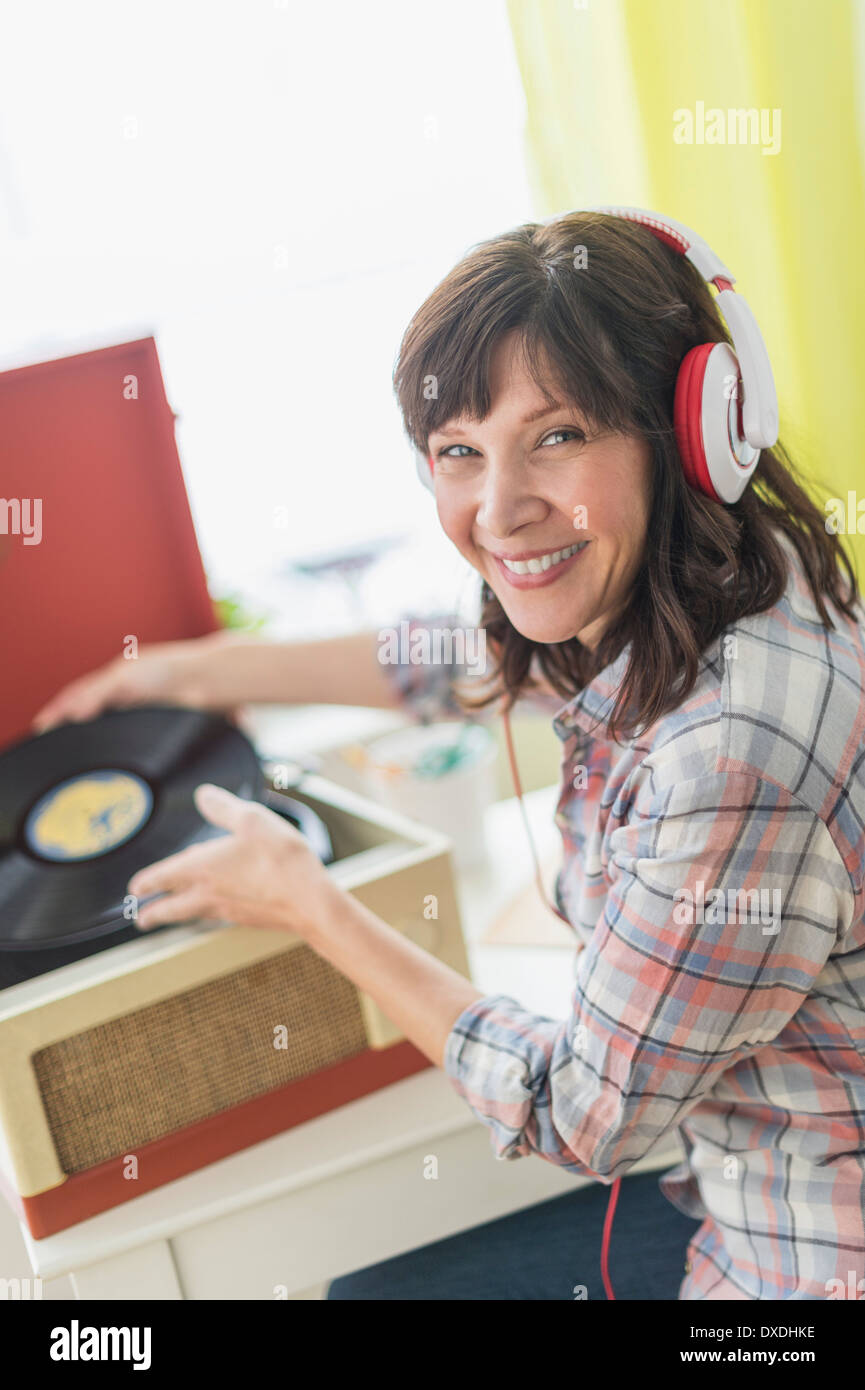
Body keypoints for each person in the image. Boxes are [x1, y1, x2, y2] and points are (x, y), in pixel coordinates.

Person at [35, 211, 865, 1301]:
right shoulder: (725, 564)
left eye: (557, 436)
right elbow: (454, 660)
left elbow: (580, 1114)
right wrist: (185, 675)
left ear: (695, 426)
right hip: (735, 1186)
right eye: (457, 454)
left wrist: (309, 903)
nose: (498, 511)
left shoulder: (726, 762)